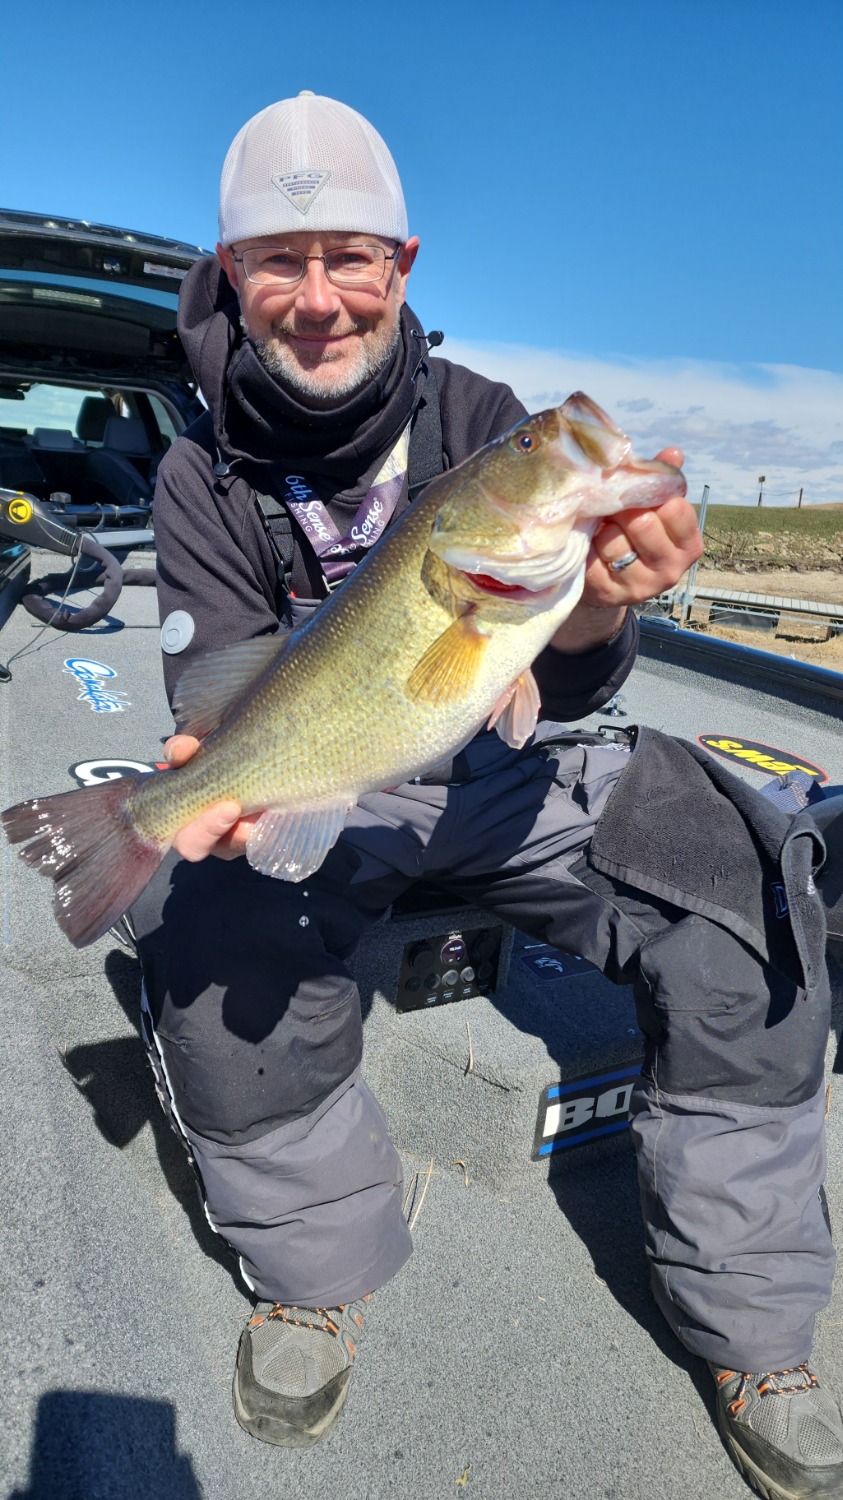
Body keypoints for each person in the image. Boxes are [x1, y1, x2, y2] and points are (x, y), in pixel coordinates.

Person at [131, 92, 843, 1498]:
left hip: (511, 775)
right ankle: (314, 1278)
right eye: (281, 261)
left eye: (352, 258)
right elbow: (217, 703)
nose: (320, 299)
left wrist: (601, 605)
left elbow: (561, 686)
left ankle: (757, 1328)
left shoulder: (486, 423)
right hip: (334, 786)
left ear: (402, 264)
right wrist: (207, 786)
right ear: (232, 276)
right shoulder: (194, 477)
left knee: (738, 877)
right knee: (198, 933)